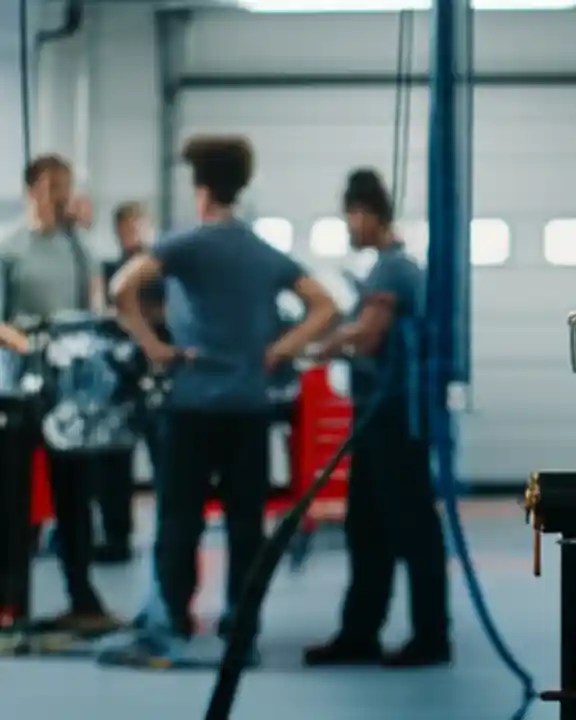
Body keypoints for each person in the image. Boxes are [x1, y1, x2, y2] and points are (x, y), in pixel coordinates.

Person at [105, 135, 338, 663]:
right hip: (248, 408)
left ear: (200, 187)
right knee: (244, 525)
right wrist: (279, 349)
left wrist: (155, 347)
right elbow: (325, 306)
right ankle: (241, 625)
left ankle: (174, 623)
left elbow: (123, 288)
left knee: (179, 521)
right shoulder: (262, 252)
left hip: (190, 406)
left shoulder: (185, 244)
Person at [303, 168, 450, 668]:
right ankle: (359, 633)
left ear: (366, 213)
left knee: (411, 529)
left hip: (394, 423)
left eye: (350, 215)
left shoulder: (392, 270)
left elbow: (367, 336)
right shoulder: (389, 269)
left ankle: (432, 638)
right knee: (367, 530)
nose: (348, 225)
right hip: (378, 420)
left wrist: (319, 344)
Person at [0, 154, 119, 636]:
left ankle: (82, 596)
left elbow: (93, 304)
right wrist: (27, 342)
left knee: (75, 495)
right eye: (55, 188)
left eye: (68, 188)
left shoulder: (78, 249)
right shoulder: (10, 247)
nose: (63, 198)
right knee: (10, 500)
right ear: (34, 189)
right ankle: (10, 600)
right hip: (17, 387)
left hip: (69, 392)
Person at [93, 202, 162, 564]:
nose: (132, 235)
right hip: (118, 377)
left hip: (157, 375)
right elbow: (103, 312)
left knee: (164, 457)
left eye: (138, 226)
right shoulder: (109, 271)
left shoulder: (163, 271)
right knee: (114, 463)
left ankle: (170, 535)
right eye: (126, 227)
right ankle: (116, 536)